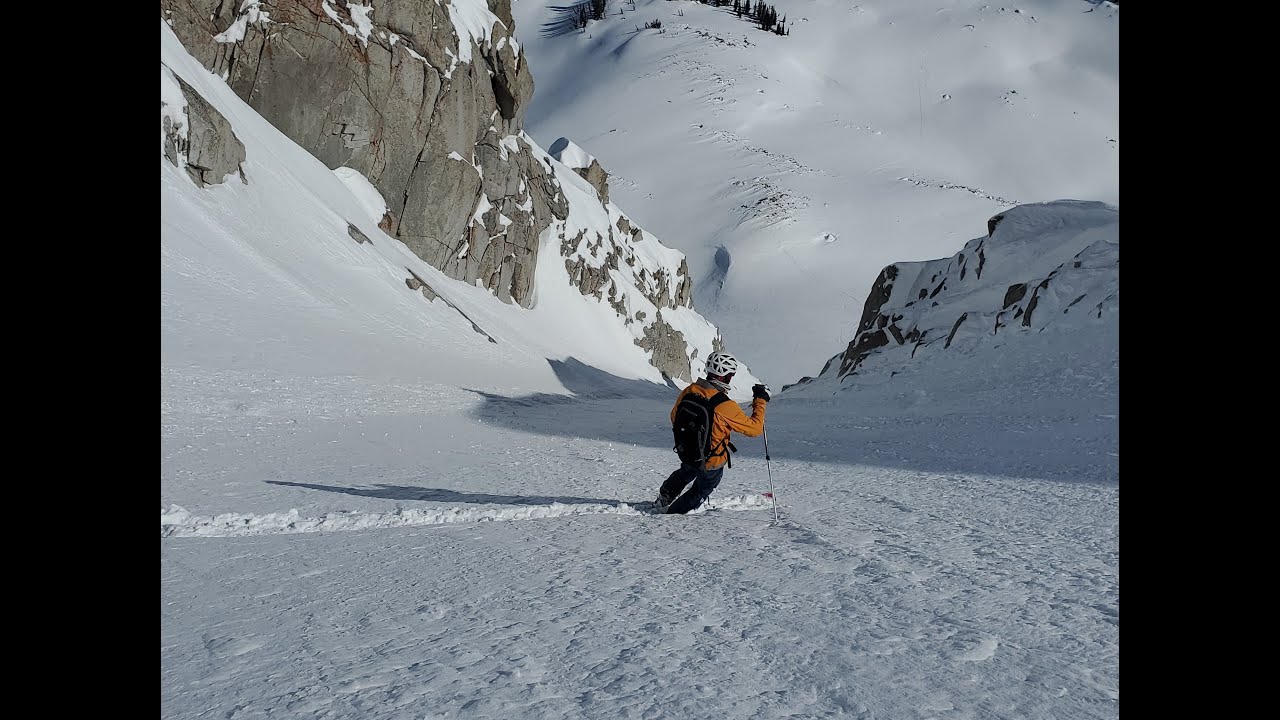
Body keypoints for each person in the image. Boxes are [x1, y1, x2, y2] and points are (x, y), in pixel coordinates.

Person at [656, 351, 770, 514]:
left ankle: (664, 497)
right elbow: (755, 429)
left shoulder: (689, 391)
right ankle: (674, 514)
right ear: (724, 376)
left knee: (685, 472)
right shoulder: (724, 405)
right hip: (712, 460)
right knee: (702, 488)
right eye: (730, 375)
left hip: (687, 451)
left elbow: (674, 416)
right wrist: (760, 401)